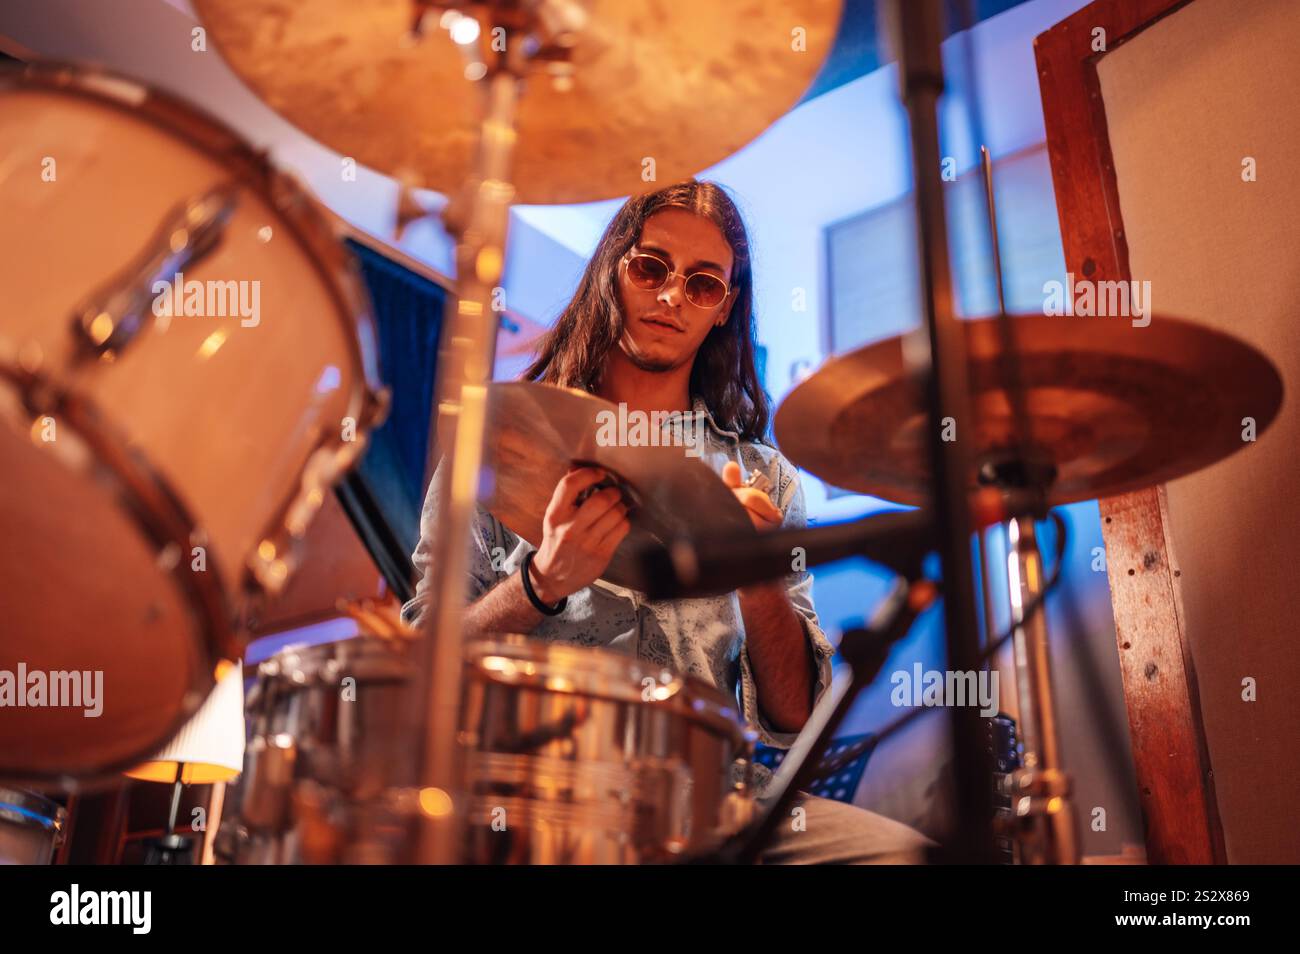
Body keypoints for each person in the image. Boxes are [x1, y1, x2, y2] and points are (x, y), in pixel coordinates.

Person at [404, 179, 932, 864]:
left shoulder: (765, 476)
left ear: (724, 309)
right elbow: (418, 659)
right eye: (651, 268)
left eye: (703, 283)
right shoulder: (496, 447)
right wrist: (539, 582)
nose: (672, 295)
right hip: (541, 788)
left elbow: (794, 720)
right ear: (612, 270)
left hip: (718, 800)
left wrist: (761, 581)